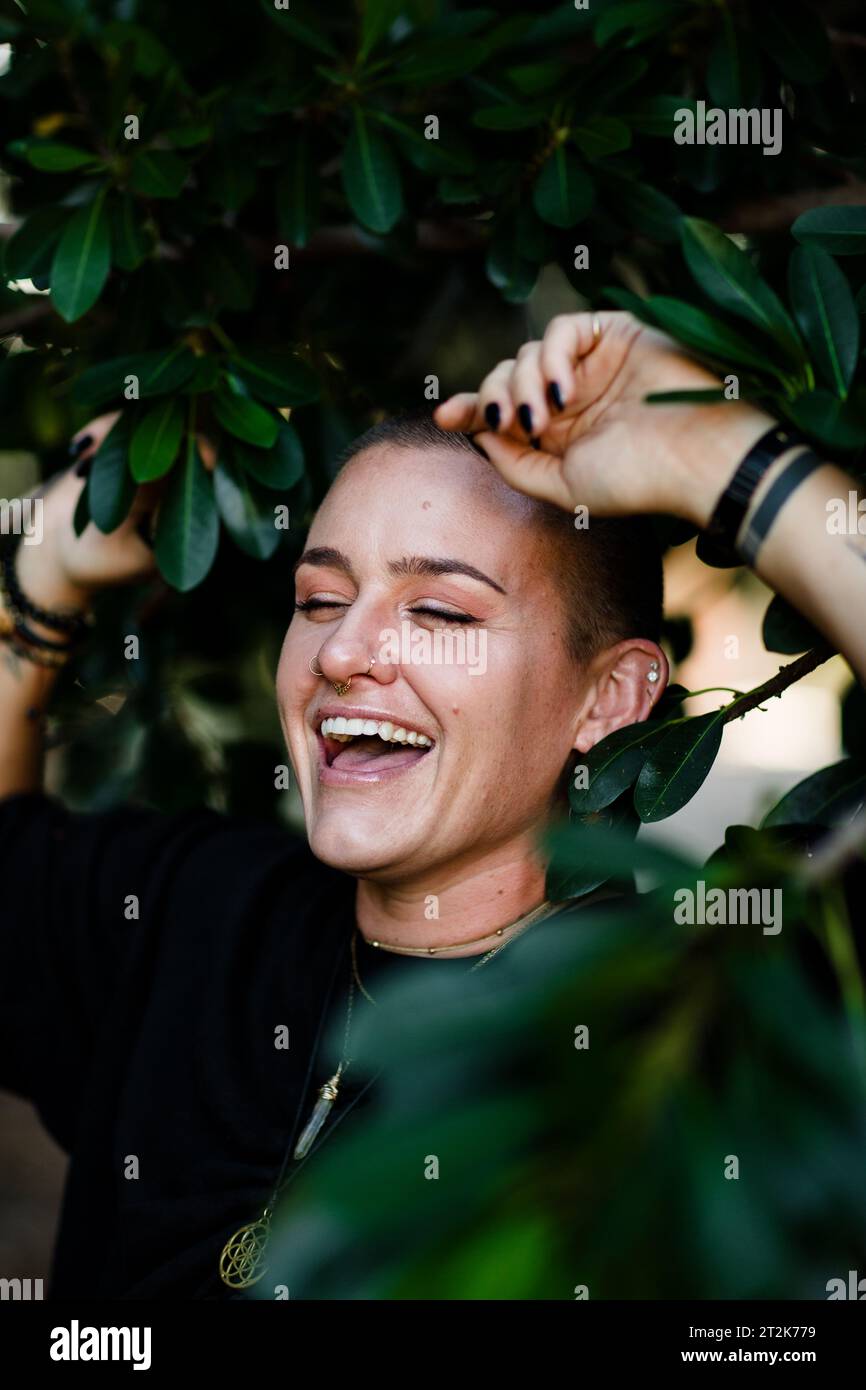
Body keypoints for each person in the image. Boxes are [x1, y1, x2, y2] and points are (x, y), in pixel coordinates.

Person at [0, 311, 863, 1300]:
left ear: (609, 698)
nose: (338, 652)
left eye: (440, 611)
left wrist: (720, 460)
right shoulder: (185, 911)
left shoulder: (717, 991)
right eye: (320, 601)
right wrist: (44, 583)